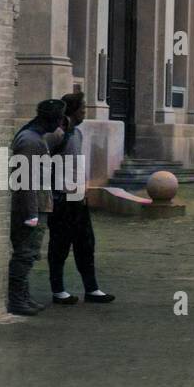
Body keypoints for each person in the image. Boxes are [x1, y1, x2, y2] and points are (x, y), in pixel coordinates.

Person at [48, 92, 114, 305]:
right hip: (61, 198)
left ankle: (92, 289)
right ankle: (58, 290)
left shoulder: (77, 133)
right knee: (59, 245)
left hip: (77, 198)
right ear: (73, 110)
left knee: (85, 244)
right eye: (83, 107)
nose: (85, 111)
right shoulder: (58, 134)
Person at [9, 98, 66, 316]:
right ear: (53, 119)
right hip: (31, 208)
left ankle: (23, 296)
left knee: (30, 254)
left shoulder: (36, 137)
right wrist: (31, 213)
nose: (62, 123)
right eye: (60, 118)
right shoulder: (30, 140)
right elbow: (26, 180)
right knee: (25, 254)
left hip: (39, 205)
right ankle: (16, 299)